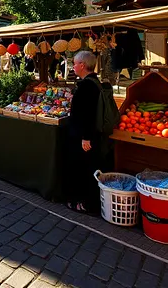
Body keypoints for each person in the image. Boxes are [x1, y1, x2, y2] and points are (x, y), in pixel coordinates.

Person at [63, 50, 104, 213]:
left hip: (84, 137)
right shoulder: (94, 82)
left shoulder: (87, 86)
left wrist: (85, 137)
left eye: (74, 63)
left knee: (83, 169)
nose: (73, 66)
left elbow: (87, 114)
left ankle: (84, 203)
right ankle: (85, 201)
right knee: (86, 168)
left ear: (82, 65)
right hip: (89, 135)